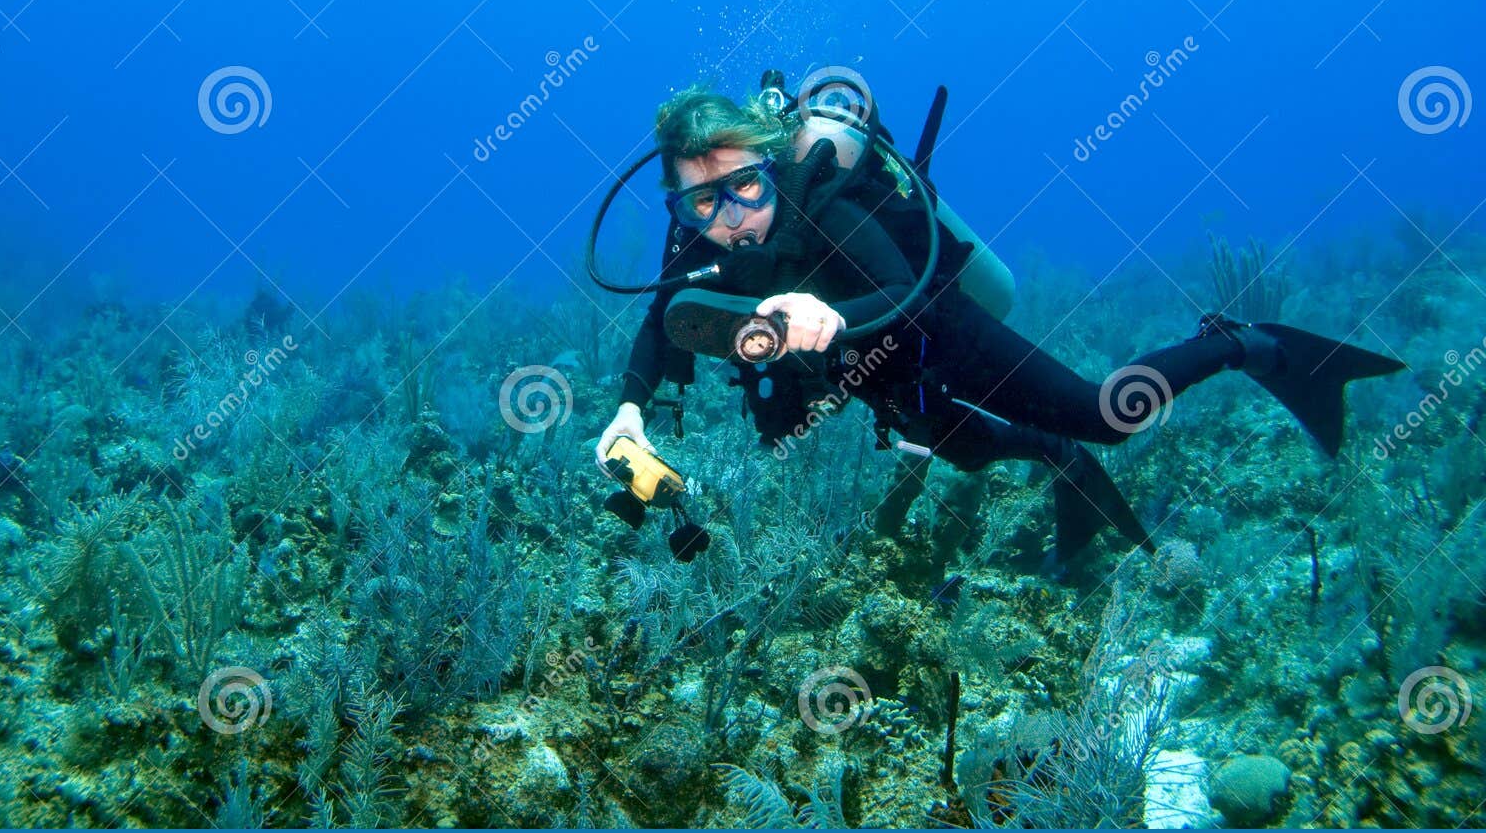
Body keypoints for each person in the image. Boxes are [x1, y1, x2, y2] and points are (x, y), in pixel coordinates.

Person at [594, 86, 1404, 565]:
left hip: (933, 328)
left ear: (772, 168)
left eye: (747, 189)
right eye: (703, 201)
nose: (731, 216)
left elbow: (905, 290)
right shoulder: (696, 237)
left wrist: (831, 312)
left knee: (1103, 416)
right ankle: (1058, 462)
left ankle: (1244, 344)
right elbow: (666, 322)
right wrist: (631, 406)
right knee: (979, 452)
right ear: (677, 203)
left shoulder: (826, 203)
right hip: (864, 374)